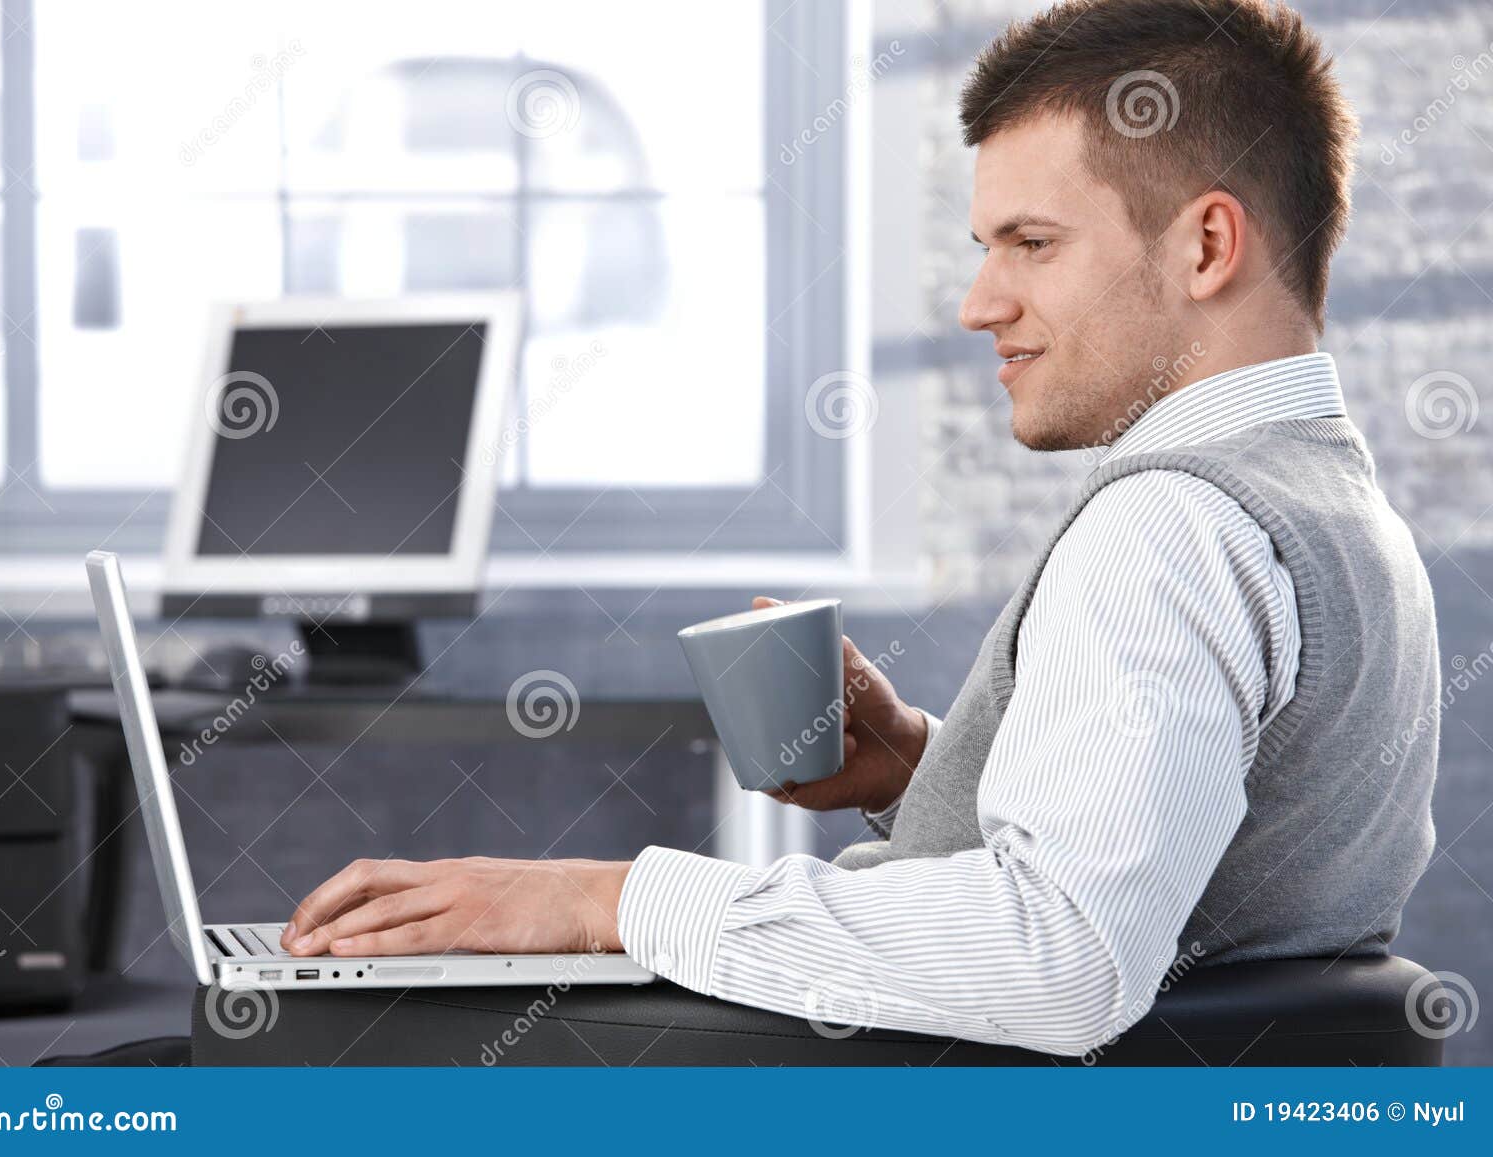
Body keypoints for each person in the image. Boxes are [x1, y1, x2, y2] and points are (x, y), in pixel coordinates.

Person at [279, 0, 1438, 1055]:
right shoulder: (1339, 514)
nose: (980, 302)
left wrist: (601, 897)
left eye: (1030, 244)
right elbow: (1197, 874)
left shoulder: (1170, 527)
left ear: (1204, 246)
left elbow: (1064, 955)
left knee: (216, 1063)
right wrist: (921, 771)